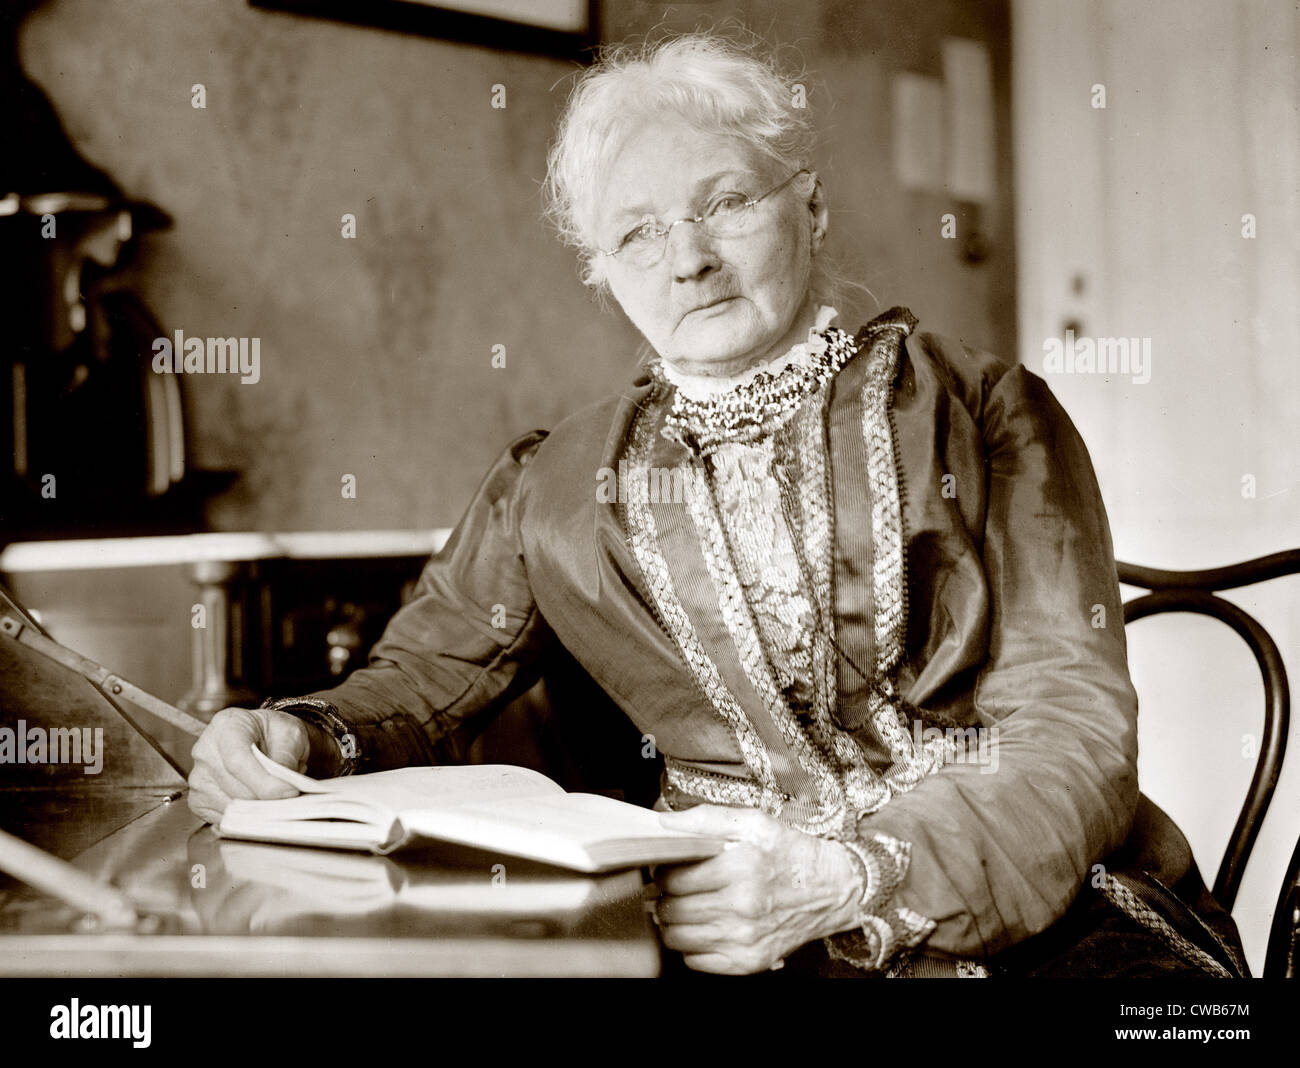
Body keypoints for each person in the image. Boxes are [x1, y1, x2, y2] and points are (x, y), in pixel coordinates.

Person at [187, 33, 1248, 978]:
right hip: (718, 924)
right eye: (637, 234)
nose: (687, 259)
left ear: (811, 205)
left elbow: (1069, 729)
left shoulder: (979, 409)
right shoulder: (554, 481)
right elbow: (421, 679)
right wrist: (295, 742)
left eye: (726, 202)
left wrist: (853, 879)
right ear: (601, 272)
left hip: (1020, 899)